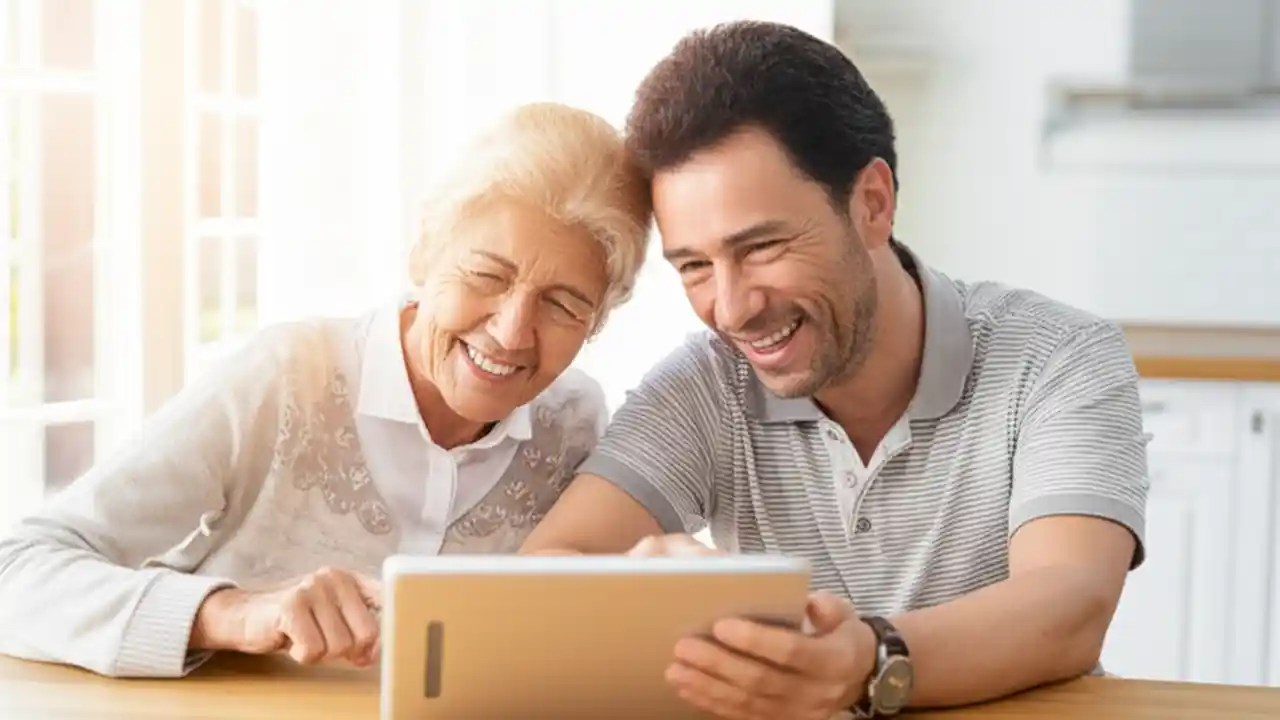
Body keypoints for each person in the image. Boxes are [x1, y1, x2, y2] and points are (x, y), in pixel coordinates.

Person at [522, 21, 1149, 719]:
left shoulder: (1058, 357)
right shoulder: (704, 387)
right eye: (695, 266)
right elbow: (549, 565)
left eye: (761, 246)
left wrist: (870, 658)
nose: (731, 308)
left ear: (872, 204)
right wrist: (632, 585)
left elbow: (1069, 603)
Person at [0, 102, 651, 678]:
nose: (512, 333)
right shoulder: (287, 376)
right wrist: (232, 613)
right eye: (486, 274)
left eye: (564, 304)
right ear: (425, 250)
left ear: (598, 322)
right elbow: (17, 570)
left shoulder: (575, 422)